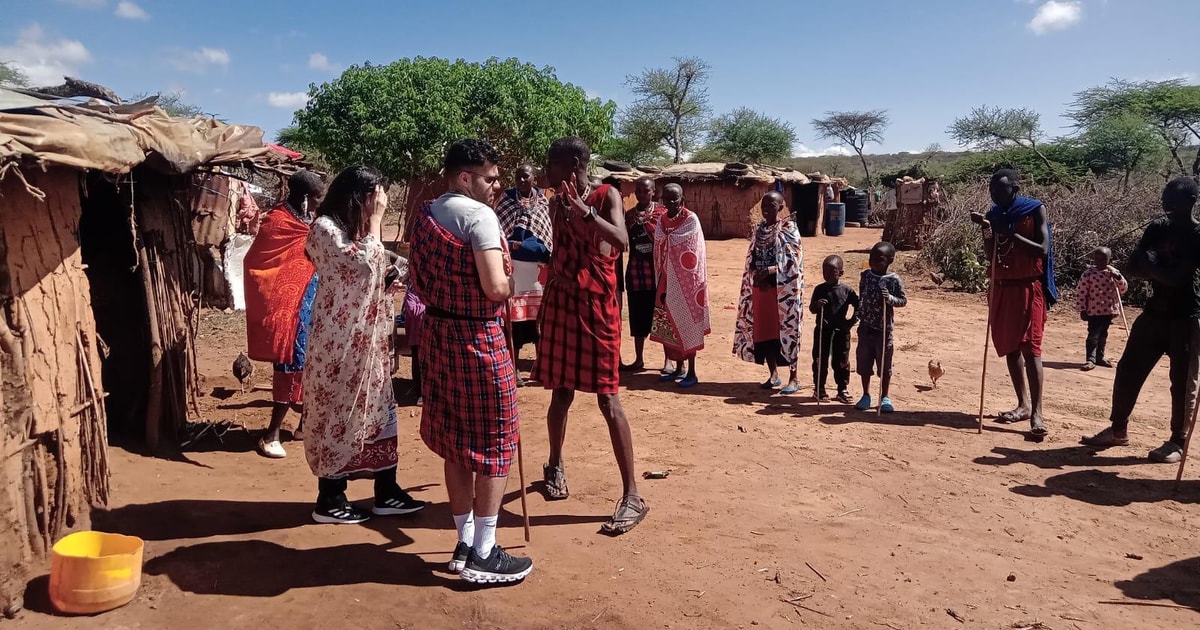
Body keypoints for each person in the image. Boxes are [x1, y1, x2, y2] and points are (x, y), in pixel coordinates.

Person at [411, 139, 532, 584]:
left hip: (438, 337)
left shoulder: (425, 214)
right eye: (491, 178)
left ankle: (463, 542)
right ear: (465, 178)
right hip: (479, 339)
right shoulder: (479, 217)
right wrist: (519, 277)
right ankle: (484, 550)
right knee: (499, 438)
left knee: (454, 438)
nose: (497, 186)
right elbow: (496, 289)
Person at [532, 136, 649, 535]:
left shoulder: (606, 196)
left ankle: (632, 494)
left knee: (608, 399)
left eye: (553, 162)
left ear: (576, 163)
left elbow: (621, 240)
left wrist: (585, 214)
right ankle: (554, 465)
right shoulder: (552, 202)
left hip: (599, 308)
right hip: (564, 301)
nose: (547, 169)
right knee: (560, 393)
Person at [301, 165, 426, 524]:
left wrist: (392, 273)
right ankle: (330, 496)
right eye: (373, 199)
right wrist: (376, 224)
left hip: (369, 342)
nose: (376, 206)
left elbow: (374, 273)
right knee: (336, 411)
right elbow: (363, 265)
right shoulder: (324, 230)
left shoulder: (350, 232)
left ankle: (386, 489)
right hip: (339, 346)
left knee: (379, 411)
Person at [1082, 177, 1200, 463]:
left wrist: (1151, 266)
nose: (1165, 203)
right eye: (1164, 196)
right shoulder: (1157, 228)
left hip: (1188, 315)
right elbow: (1132, 267)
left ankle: (1177, 440)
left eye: (1171, 198)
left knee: (1183, 381)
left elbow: (1178, 276)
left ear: (1191, 202)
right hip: (1154, 311)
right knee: (1128, 369)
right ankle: (1118, 429)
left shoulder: (1197, 234)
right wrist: (1153, 269)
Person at [242, 169, 324, 459]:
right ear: (304, 198)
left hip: (312, 305)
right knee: (290, 365)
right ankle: (271, 433)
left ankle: (303, 424)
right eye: (316, 197)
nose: (319, 203)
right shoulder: (277, 223)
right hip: (288, 311)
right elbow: (260, 264)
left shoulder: (310, 223)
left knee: (313, 365)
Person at [970, 168, 1057, 437]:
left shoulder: (1034, 210)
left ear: (1015, 188)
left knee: (1031, 349)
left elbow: (1042, 248)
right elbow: (990, 254)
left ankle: (1038, 413)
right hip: (1002, 287)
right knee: (1010, 348)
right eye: (992, 192)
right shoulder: (995, 215)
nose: (995, 196)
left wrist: (1009, 233)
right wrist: (987, 230)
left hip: (1029, 287)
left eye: (1001, 191)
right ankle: (1023, 404)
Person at [733, 192, 805, 395]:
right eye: (764, 205)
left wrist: (772, 270)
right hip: (761, 290)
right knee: (765, 332)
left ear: (781, 207)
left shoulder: (789, 229)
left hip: (784, 292)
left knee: (788, 330)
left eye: (771, 205)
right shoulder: (760, 230)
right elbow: (752, 258)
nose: (766, 208)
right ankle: (773, 373)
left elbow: (794, 263)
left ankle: (794, 377)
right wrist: (756, 274)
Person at [495, 164, 554, 384]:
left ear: (534, 179)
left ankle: (541, 368)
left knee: (540, 320)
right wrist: (514, 245)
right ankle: (515, 369)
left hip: (539, 271)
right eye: (518, 177)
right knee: (516, 322)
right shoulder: (506, 200)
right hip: (515, 269)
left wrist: (537, 249)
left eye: (525, 176)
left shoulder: (543, 201)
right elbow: (499, 232)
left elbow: (547, 233)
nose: (521, 180)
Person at [649, 183, 710, 387]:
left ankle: (692, 372)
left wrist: (670, 242)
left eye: (675, 199)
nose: (671, 202)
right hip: (666, 280)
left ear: (682, 199)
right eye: (667, 199)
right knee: (669, 325)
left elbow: (694, 251)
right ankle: (678, 368)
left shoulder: (690, 220)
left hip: (687, 284)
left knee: (687, 324)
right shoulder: (662, 221)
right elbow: (658, 245)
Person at [620, 176, 669, 374]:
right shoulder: (629, 215)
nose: (641, 194)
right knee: (637, 318)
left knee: (662, 316)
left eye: (645, 190)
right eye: (638, 191)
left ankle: (668, 361)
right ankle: (639, 359)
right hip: (635, 273)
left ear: (654, 191)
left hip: (658, 274)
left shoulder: (662, 214)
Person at [855, 242, 907, 412]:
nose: (874, 262)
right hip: (865, 328)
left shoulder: (894, 279)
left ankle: (884, 396)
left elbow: (903, 301)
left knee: (884, 365)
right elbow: (861, 296)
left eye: (879, 260)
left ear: (890, 260)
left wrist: (890, 299)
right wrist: (859, 314)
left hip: (884, 331)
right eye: (871, 258)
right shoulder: (865, 276)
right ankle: (865, 394)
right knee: (864, 364)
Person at [810, 255, 859, 404]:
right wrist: (818, 305)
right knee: (820, 359)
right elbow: (812, 309)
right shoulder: (819, 289)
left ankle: (842, 389)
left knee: (842, 360)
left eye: (832, 272)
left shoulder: (847, 290)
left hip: (841, 331)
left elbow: (858, 306)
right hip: (823, 330)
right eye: (825, 271)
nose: (828, 275)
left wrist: (851, 321)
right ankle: (819, 388)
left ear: (841, 273)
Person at [1075, 246, 1128, 371]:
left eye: (1103, 259)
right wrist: (1082, 309)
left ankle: (1099, 357)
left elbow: (1124, 289)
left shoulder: (1114, 273)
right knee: (1093, 335)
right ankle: (1090, 359)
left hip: (1108, 310)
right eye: (1097, 258)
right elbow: (1081, 292)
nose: (1100, 261)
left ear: (1109, 259)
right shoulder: (1088, 274)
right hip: (1093, 311)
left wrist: (1118, 278)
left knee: (1103, 334)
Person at [401, 282, 425, 405]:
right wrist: (428, 306)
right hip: (416, 336)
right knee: (417, 366)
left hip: (431, 335)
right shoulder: (412, 291)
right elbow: (412, 310)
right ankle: (420, 394)